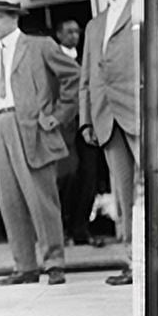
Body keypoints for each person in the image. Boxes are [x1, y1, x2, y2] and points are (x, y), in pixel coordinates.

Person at [0, 0, 80, 286]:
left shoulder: (40, 46)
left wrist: (58, 115)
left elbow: (73, 78)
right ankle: (25, 266)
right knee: (10, 200)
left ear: (14, 18)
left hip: (32, 127)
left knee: (41, 199)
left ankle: (54, 263)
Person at [80, 0, 140, 286]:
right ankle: (135, 264)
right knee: (124, 194)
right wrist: (87, 120)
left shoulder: (147, 7)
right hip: (107, 120)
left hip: (140, 113)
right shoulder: (94, 24)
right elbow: (87, 77)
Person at [53, 19, 101, 247]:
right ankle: (60, 228)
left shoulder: (86, 59)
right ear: (59, 34)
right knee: (66, 177)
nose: (74, 35)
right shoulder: (53, 59)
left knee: (89, 177)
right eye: (69, 31)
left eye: (76, 31)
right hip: (64, 130)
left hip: (88, 126)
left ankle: (81, 229)